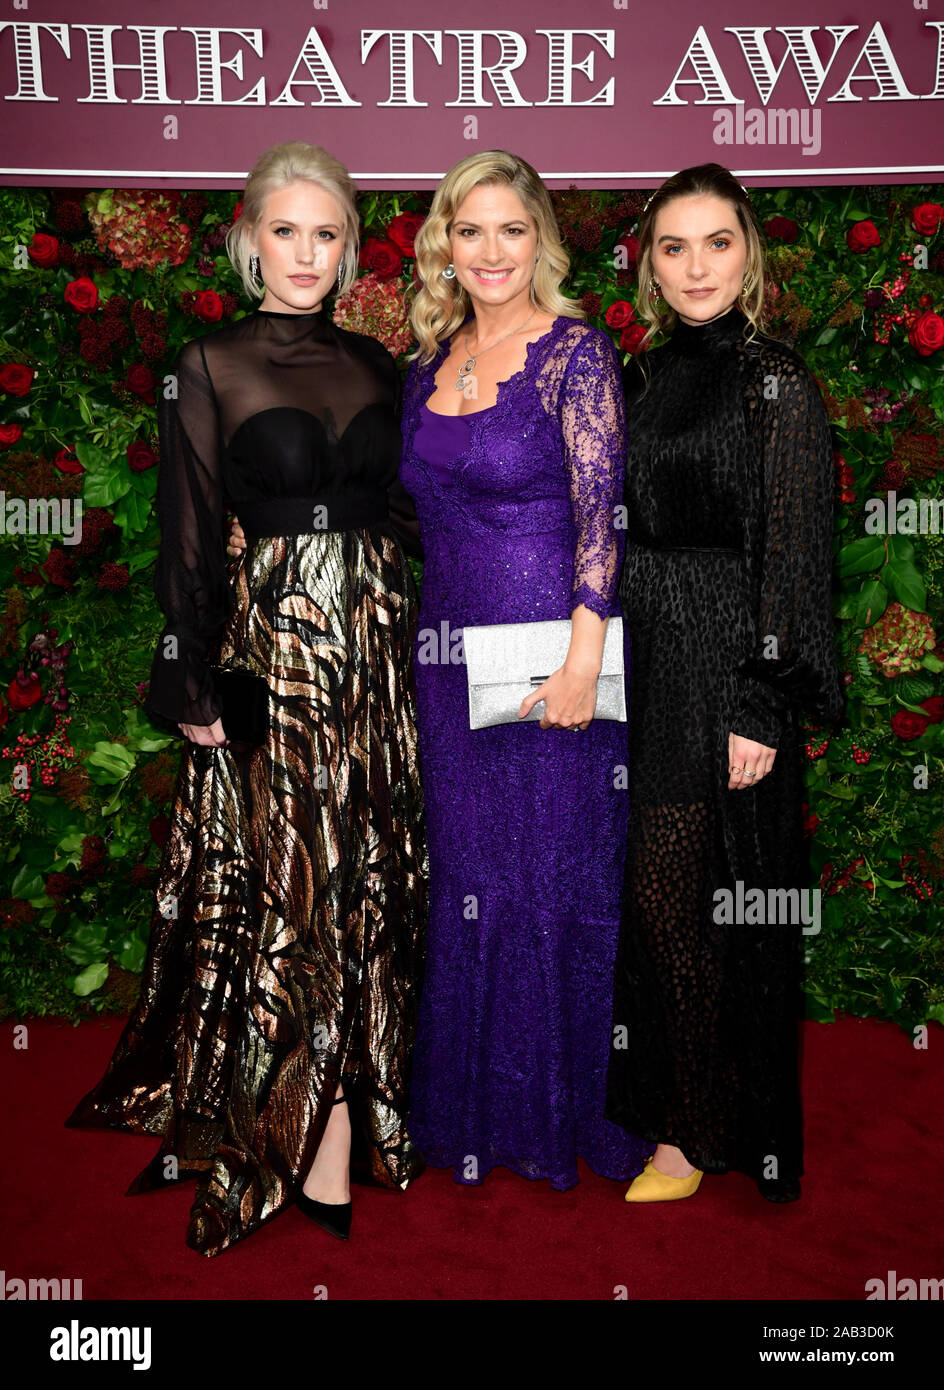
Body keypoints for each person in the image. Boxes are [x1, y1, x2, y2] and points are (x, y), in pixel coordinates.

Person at [66, 143, 428, 1256]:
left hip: (373, 658)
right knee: (294, 891)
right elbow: (185, 540)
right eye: (287, 231)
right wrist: (192, 679)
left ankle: (351, 1108)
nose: (307, 254)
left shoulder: (380, 361)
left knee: (371, 876)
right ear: (249, 239)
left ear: (351, 248)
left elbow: (412, 517)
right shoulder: (207, 363)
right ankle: (291, 1129)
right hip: (271, 658)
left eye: (328, 234)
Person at [388, 150, 651, 1188]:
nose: (490, 251)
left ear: (541, 238)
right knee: (469, 876)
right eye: (468, 229)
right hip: (448, 659)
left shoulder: (574, 354)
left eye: (510, 229)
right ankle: (470, 1110)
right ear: (442, 245)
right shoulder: (425, 358)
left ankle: (558, 1114)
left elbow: (603, 512)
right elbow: (408, 513)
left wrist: (585, 649)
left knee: (553, 876)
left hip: (552, 654)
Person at [605, 163, 842, 1204]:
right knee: (660, 902)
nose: (694, 266)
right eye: (672, 246)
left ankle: (702, 1131)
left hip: (723, 662)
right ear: (648, 265)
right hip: (644, 657)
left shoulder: (774, 380)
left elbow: (796, 548)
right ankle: (681, 1111)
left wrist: (761, 696)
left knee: (700, 898)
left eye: (714, 243)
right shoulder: (640, 376)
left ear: (747, 252)